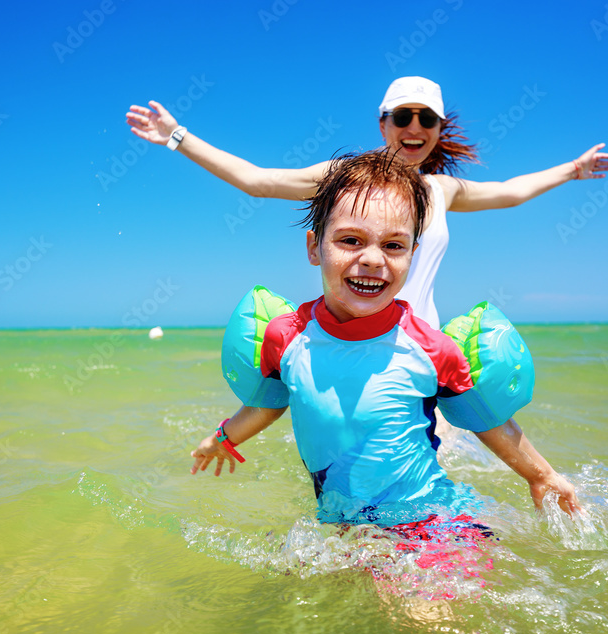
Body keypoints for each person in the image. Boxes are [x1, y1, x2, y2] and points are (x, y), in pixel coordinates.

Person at [188, 149, 582, 526]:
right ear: (314, 247)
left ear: (412, 253)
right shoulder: (286, 337)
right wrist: (223, 437)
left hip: (428, 519)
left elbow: (488, 423)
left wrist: (541, 476)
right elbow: (267, 406)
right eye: (350, 240)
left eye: (393, 246)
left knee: (420, 599)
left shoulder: (432, 349)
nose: (374, 259)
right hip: (343, 520)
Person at [127, 76, 608, 328]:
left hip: (423, 347)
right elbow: (258, 181)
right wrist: (177, 137)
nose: (416, 128)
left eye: (428, 120)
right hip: (352, 339)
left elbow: (511, 193)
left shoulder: (439, 190)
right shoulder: (344, 177)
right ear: (383, 123)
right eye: (404, 116)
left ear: (439, 130)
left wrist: (572, 170)